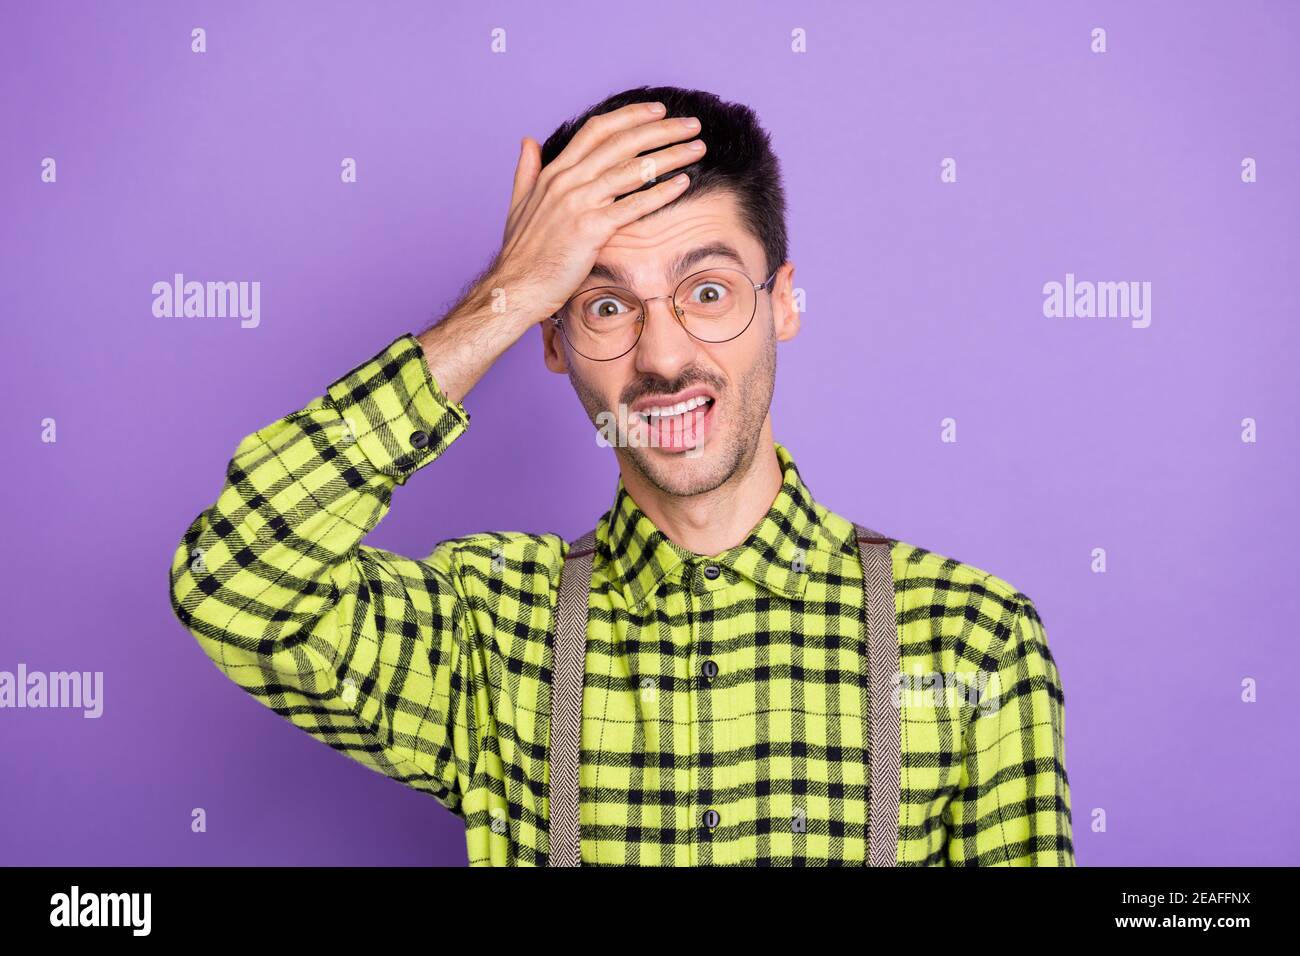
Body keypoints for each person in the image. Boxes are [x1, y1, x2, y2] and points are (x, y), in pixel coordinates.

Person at [168, 85, 1074, 867]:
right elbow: (234, 582)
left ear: (783, 303)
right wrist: (507, 294)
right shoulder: (492, 628)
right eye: (605, 305)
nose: (665, 357)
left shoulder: (971, 640)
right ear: (553, 339)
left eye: (708, 292)